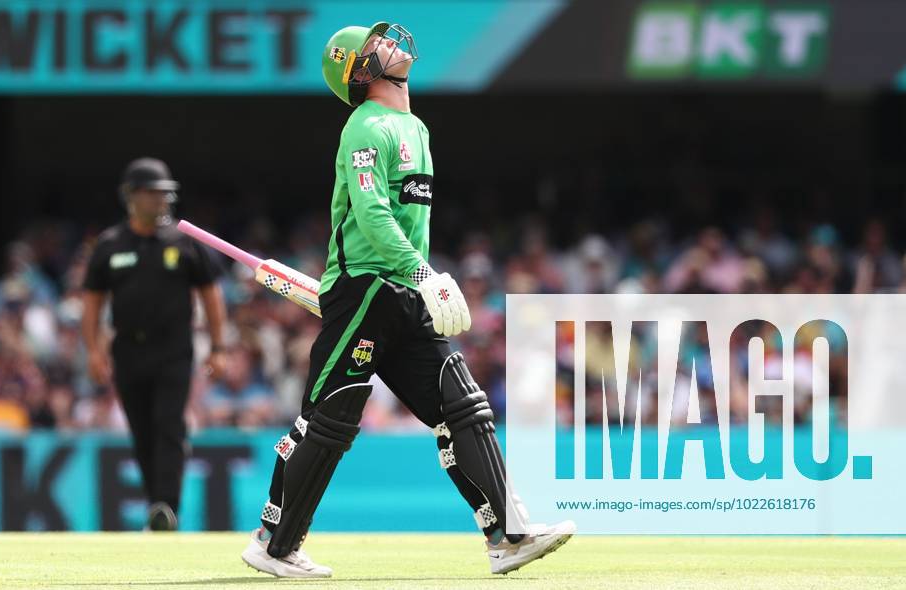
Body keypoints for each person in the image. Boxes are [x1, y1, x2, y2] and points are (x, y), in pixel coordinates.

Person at [240, 23, 574, 578]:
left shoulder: (414, 126)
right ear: (362, 72)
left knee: (461, 403)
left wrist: (418, 278)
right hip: (366, 286)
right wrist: (423, 271)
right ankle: (274, 545)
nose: (392, 44)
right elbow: (371, 215)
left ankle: (507, 535)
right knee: (331, 418)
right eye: (378, 45)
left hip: (402, 291)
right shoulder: (364, 126)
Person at [82, 157, 227, 531]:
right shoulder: (110, 245)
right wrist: (95, 351)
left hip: (174, 349)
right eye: (153, 194)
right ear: (131, 196)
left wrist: (218, 346)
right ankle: (155, 507)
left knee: (168, 425)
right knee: (141, 428)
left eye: (165, 194)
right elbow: (93, 302)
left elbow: (211, 295)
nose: (161, 201)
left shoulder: (184, 243)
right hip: (128, 350)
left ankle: (167, 505)